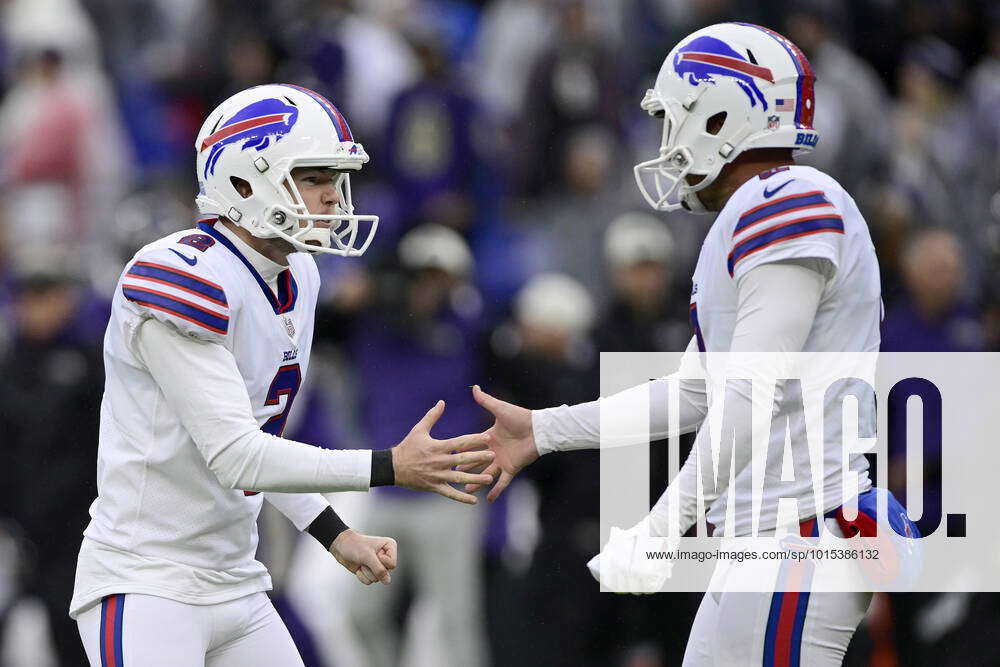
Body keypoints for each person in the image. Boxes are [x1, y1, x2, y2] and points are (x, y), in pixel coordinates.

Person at [465, 23, 918, 665]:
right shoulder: (758, 209)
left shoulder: (788, 200)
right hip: (768, 535)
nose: (666, 140)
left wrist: (660, 530)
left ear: (721, 117)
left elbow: (747, 395)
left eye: (675, 117)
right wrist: (544, 429)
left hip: (798, 531)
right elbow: (696, 393)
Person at [69, 84, 495, 667]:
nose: (332, 198)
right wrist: (389, 466)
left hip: (237, 580)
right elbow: (237, 455)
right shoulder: (178, 275)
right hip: (148, 583)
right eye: (315, 178)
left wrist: (334, 532)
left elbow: (264, 442)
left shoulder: (299, 275)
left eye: (336, 180)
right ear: (244, 182)